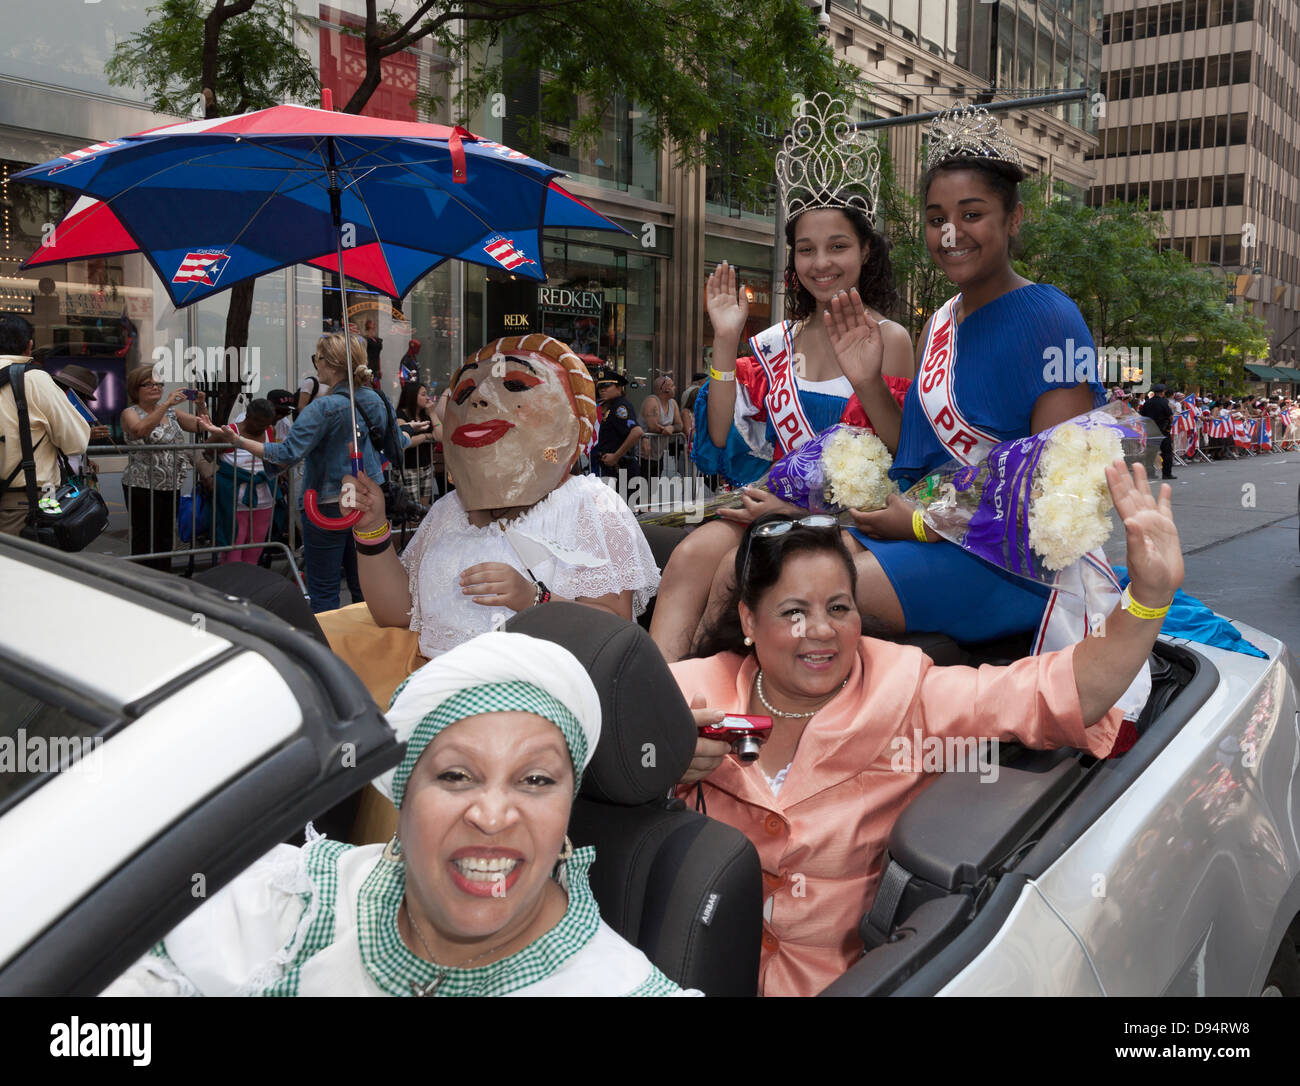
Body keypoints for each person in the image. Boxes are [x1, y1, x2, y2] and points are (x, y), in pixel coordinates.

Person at [672, 460, 1181, 996]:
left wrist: (1148, 598)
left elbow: (1060, 692)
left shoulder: (906, 692)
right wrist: (659, 765)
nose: (821, 631)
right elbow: (608, 763)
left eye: (839, 607)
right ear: (749, 621)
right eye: (794, 612)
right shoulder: (690, 693)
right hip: (683, 967)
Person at [104, 632, 693, 997]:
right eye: (455, 776)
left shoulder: (615, 987)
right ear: (402, 798)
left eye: (536, 780)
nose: (492, 816)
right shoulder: (311, 903)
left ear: (568, 808)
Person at [651, 94, 914, 662]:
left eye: (838, 246)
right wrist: (726, 339)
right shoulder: (776, 343)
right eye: (806, 249)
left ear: (866, 251)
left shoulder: (889, 338)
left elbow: (898, 456)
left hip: (844, 522)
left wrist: (795, 511)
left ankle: (702, 688)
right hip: (767, 507)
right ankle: (660, 691)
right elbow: (719, 437)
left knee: (733, 570)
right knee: (689, 557)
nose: (821, 263)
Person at [840, 103, 1110, 645]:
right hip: (923, 538)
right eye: (936, 218)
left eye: (971, 214)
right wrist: (867, 381)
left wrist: (922, 523)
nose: (950, 233)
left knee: (807, 595)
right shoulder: (938, 323)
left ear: (1014, 219)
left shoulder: (1054, 320)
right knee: (761, 563)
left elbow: (1061, 490)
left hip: (1010, 564)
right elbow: (913, 452)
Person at [317, 335, 660, 712]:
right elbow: (396, 613)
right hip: (428, 687)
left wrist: (534, 599)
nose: (478, 398)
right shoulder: (448, 511)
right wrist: (371, 526)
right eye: (464, 392)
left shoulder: (590, 506)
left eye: (515, 384)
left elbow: (613, 631)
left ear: (572, 420)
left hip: (531, 701)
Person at [200, 332, 398, 613]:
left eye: (318, 358)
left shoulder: (323, 407)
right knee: (364, 586)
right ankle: (365, 638)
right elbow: (395, 444)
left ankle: (325, 640)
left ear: (331, 364)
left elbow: (286, 454)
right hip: (368, 501)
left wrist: (238, 441)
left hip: (327, 505)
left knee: (324, 590)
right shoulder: (377, 400)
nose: (316, 365)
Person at [0, 316, 91, 537]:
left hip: (18, 500)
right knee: (23, 559)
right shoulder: (33, 379)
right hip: (25, 503)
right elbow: (76, 442)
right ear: (29, 345)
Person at [120, 366, 210, 571]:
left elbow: (201, 425)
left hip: (171, 484)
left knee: (166, 536)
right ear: (135, 389)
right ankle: (142, 581)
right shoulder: (130, 412)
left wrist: (201, 405)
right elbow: (140, 430)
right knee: (145, 537)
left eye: (159, 384)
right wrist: (167, 403)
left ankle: (163, 578)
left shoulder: (171, 412)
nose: (156, 388)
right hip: (142, 485)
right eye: (149, 384)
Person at [214, 398, 279, 566]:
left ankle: (249, 577)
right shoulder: (229, 432)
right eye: (258, 423)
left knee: (256, 543)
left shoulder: (269, 430)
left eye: (266, 424)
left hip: (264, 498)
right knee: (234, 542)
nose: (261, 427)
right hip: (234, 498)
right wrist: (212, 477)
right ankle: (232, 577)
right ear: (247, 417)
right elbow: (206, 454)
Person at [591, 368, 644, 480]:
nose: (602, 390)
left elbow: (637, 432)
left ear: (619, 388)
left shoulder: (620, 407)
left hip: (622, 469)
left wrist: (616, 456)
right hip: (613, 469)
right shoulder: (611, 406)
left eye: (607, 386)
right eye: (600, 387)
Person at [396, 380, 440, 509]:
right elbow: (404, 441)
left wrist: (433, 413)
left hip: (426, 467)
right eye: (423, 394)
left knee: (424, 507)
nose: (428, 398)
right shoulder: (400, 415)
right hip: (408, 468)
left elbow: (440, 436)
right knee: (411, 508)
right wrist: (425, 436)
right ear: (412, 396)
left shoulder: (425, 415)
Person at [640, 374, 687, 477]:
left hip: (658, 454)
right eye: (672, 386)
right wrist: (666, 430)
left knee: (654, 484)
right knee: (642, 484)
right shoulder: (652, 401)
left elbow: (680, 425)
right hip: (643, 454)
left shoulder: (673, 403)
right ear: (665, 389)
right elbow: (653, 427)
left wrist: (672, 428)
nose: (675, 388)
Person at [1139, 383, 1176, 479]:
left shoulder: (1147, 402)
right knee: (1166, 452)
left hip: (1151, 430)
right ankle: (1166, 474)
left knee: (1150, 453)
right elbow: (1170, 416)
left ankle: (1149, 473)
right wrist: (1169, 424)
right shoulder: (1164, 402)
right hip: (1163, 430)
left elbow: (1142, 416)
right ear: (1163, 392)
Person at [363, 319, 383, 390]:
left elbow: (378, 356)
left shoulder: (376, 340)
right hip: (369, 365)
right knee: (368, 385)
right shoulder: (365, 339)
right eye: (372, 324)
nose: (374, 325)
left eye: (374, 324)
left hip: (375, 366)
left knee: (376, 386)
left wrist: (379, 369)